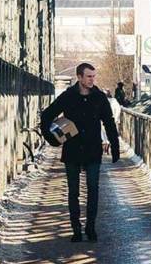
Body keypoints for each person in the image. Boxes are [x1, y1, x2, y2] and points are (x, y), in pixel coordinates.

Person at [40, 62, 120, 243]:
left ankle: (90, 228)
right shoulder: (68, 96)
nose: (92, 80)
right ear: (79, 77)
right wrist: (52, 139)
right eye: (89, 76)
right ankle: (76, 230)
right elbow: (47, 115)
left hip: (93, 149)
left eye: (94, 76)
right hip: (73, 150)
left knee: (93, 189)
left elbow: (109, 122)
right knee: (73, 191)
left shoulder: (99, 98)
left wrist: (115, 146)